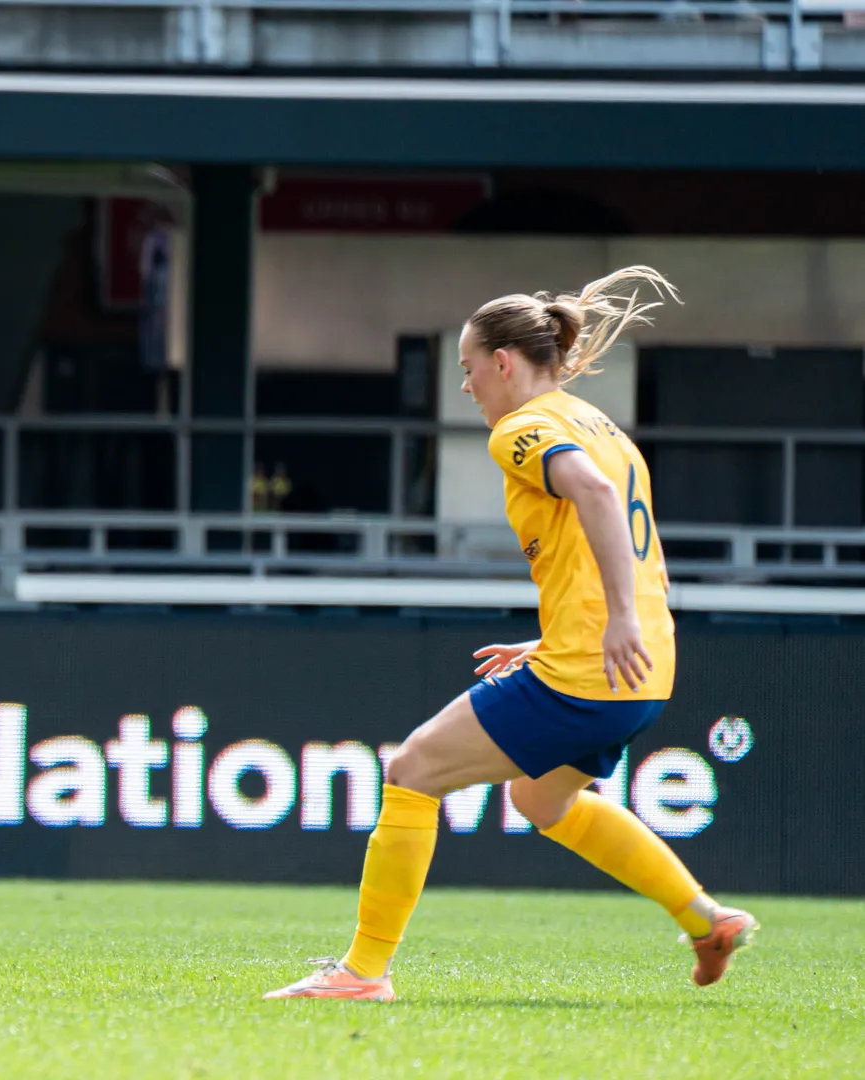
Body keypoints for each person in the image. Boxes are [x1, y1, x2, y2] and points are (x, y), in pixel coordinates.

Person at [264, 266, 756, 1002]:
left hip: (598, 661)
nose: (466, 387)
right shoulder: (598, 423)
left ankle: (363, 973)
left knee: (410, 772)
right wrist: (579, 630)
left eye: (468, 369)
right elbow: (620, 534)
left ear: (502, 363)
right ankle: (704, 919)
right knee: (540, 803)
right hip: (643, 667)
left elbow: (591, 496)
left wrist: (610, 620)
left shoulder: (522, 429)